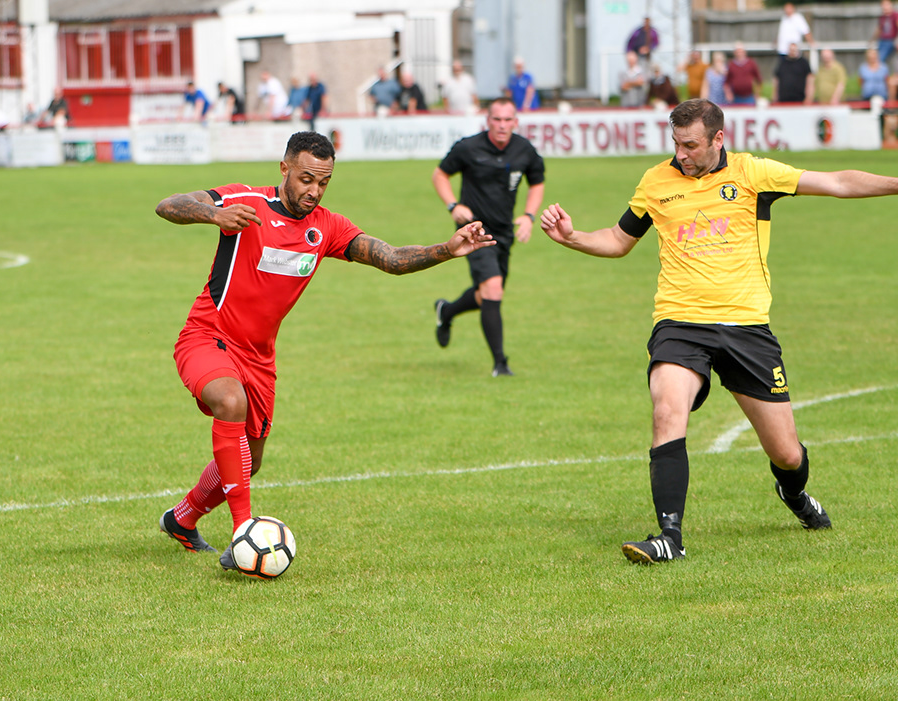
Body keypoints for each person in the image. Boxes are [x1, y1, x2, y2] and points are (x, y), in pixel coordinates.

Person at [540, 98, 898, 564]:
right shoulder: (655, 181)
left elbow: (836, 183)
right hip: (680, 323)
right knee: (667, 409)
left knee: (788, 455)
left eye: (690, 145)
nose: (681, 154)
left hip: (746, 328)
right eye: (675, 144)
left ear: (718, 139)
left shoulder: (754, 174)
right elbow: (618, 239)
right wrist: (573, 237)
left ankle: (794, 495)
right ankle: (669, 537)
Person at [154, 131, 493, 572]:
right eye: (306, 179)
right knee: (229, 402)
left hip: (259, 357)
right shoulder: (247, 201)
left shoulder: (326, 227)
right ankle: (244, 535)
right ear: (284, 169)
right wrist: (213, 213)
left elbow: (389, 257)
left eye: (323, 183)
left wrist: (447, 250)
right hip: (207, 335)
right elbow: (168, 204)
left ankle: (181, 520)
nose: (313, 191)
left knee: (248, 461)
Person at [431, 99, 545, 377]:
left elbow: (537, 182)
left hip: (505, 232)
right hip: (475, 232)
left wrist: (529, 216)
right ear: (488, 120)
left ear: (516, 122)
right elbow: (440, 174)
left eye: (508, 120)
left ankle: (446, 312)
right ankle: (500, 364)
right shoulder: (468, 147)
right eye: (497, 119)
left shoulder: (524, 150)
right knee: (493, 290)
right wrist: (453, 206)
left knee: (487, 296)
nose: (502, 125)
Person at [875, 0, 898, 66]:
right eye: (883, 5)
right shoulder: (882, 17)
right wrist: (872, 40)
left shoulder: (895, 15)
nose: (885, 7)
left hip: (890, 41)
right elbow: (879, 29)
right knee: (878, 58)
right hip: (882, 40)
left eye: (887, 4)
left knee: (880, 59)